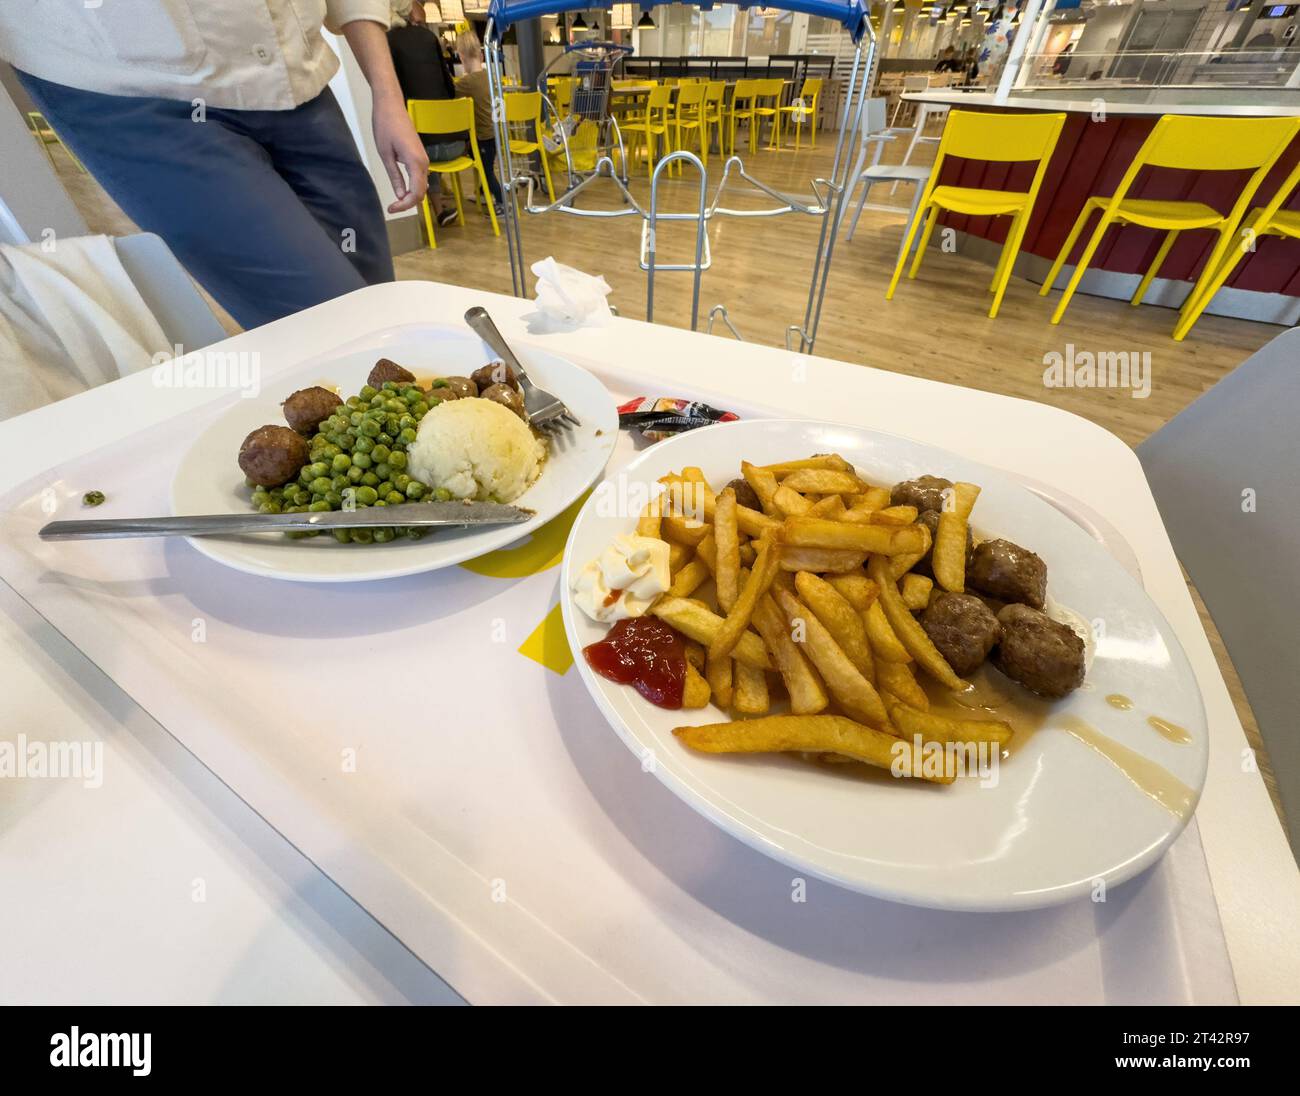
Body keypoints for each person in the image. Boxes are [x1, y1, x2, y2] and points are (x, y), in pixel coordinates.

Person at [0, 1, 428, 331]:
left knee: (376, 305)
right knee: (331, 325)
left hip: (297, 72)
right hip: (125, 83)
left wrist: (387, 94)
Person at [387, 1, 464, 227]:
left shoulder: (388, 41)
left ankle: (438, 209)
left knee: (420, 144)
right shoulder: (430, 39)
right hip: (457, 145)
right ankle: (449, 196)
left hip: (426, 150)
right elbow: (450, 88)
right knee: (430, 139)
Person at [454, 31, 504, 214]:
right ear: (481, 55)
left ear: (461, 56)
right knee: (487, 165)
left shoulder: (465, 82)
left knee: (486, 170)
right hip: (496, 133)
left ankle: (501, 201)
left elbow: (448, 94)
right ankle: (483, 191)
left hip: (483, 136)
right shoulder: (490, 78)